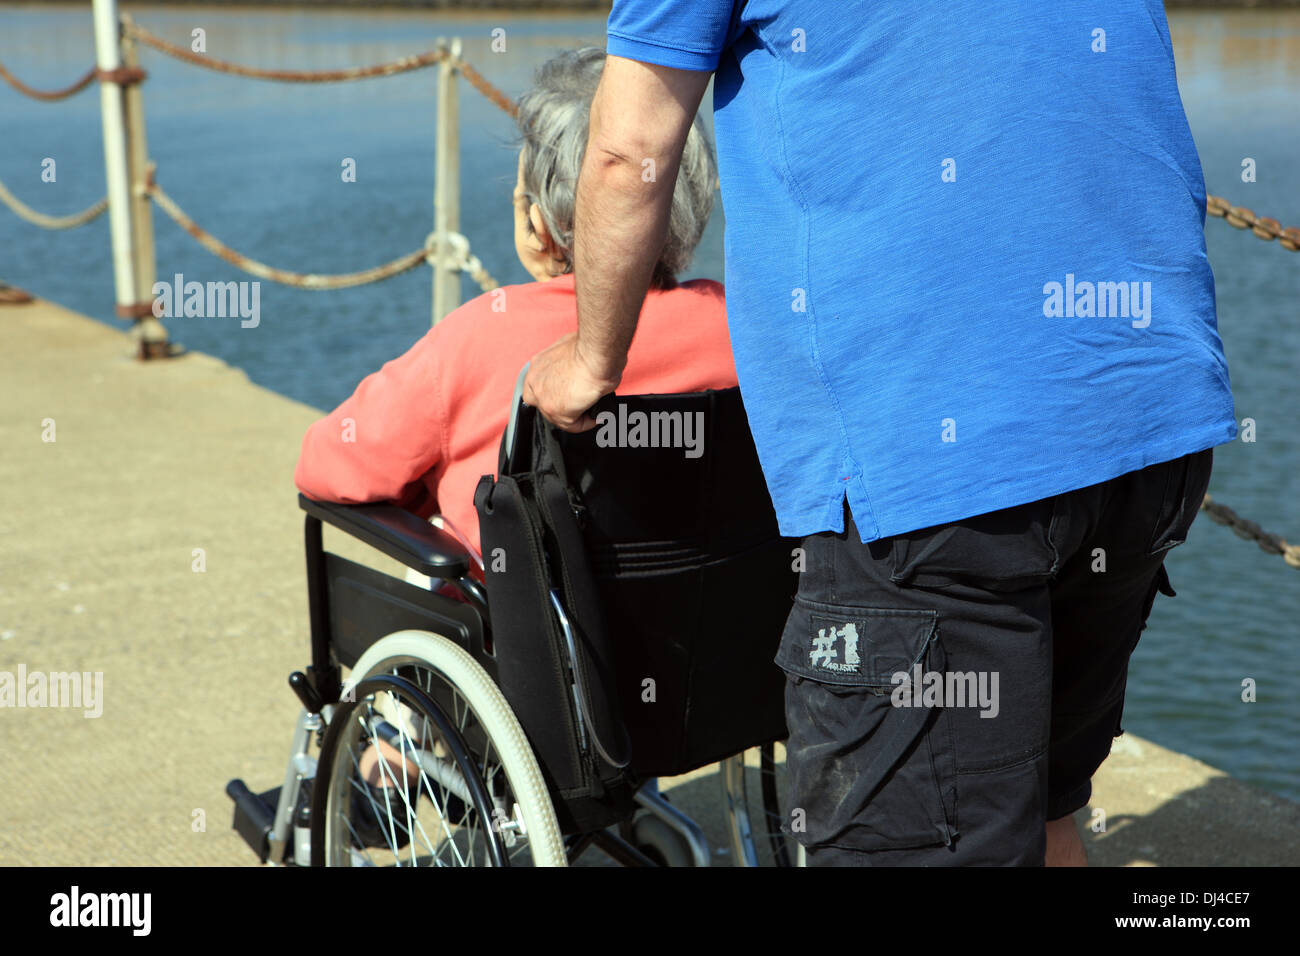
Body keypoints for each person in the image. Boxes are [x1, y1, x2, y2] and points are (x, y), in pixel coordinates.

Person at [522, 2, 1236, 866]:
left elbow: (631, 150)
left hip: (937, 465)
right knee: (1042, 811)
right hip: (1148, 421)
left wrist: (592, 359)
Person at [294, 46, 734, 830]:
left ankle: (385, 760)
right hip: (707, 674)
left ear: (538, 221)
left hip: (539, 681)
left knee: (442, 552)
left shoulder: (484, 339)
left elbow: (328, 466)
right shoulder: (738, 328)